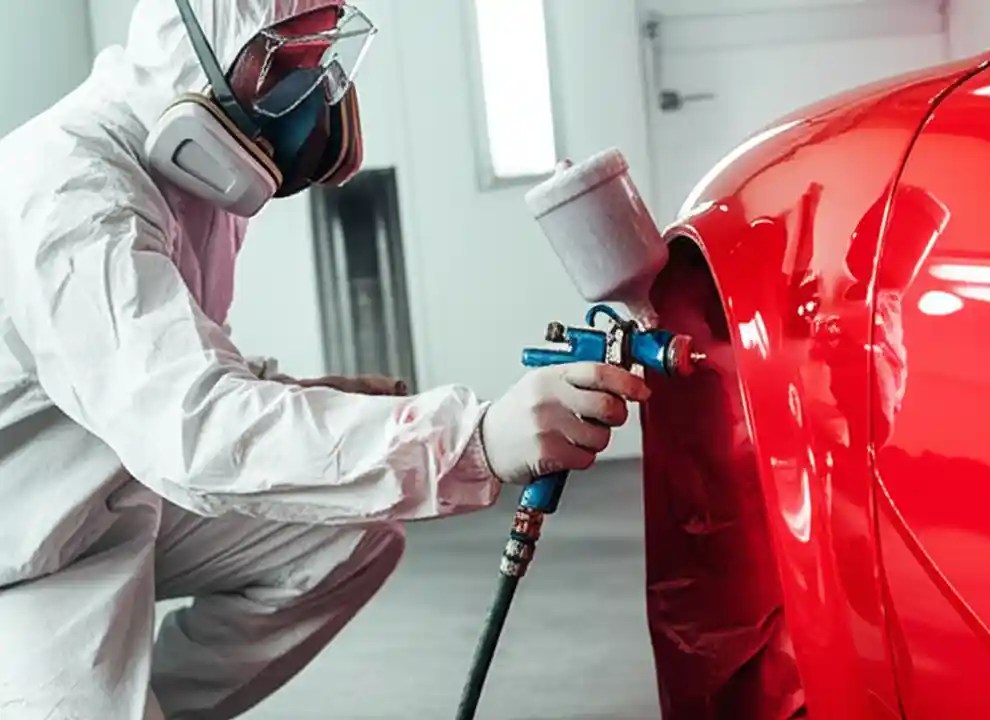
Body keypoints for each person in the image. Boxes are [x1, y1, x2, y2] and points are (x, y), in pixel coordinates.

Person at [0, 0, 647, 717]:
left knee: (345, 540)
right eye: (286, 60)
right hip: (29, 547)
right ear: (198, 45)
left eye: (323, 55)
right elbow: (197, 430)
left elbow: (167, 369)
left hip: (111, 494)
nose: (310, 91)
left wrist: (305, 393)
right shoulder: (74, 201)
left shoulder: (186, 187)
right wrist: (476, 440)